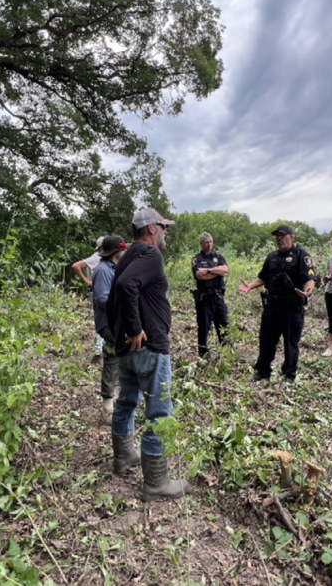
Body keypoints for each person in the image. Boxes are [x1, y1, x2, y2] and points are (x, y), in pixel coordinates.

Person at [106, 207, 189, 501]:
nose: (166, 232)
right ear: (152, 228)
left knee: (127, 401)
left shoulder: (126, 256)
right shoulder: (150, 254)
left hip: (127, 350)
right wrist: (135, 328)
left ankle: (123, 456)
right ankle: (156, 482)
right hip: (149, 347)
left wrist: (121, 336)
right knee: (159, 411)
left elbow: (113, 298)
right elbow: (126, 286)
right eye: (164, 227)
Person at [238, 225, 316, 382]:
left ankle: (289, 375)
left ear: (291, 237)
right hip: (272, 305)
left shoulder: (301, 255)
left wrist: (308, 291)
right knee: (266, 339)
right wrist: (250, 286)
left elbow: (309, 278)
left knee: (291, 341)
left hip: (292, 306)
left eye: (283, 235)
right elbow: (263, 277)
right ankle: (263, 372)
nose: (279, 238)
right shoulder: (272, 256)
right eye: (277, 236)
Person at [91, 235, 128, 426]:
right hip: (108, 324)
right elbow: (102, 299)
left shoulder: (115, 268)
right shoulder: (103, 270)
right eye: (123, 249)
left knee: (120, 360)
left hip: (117, 322)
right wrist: (123, 307)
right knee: (112, 359)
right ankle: (107, 407)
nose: (126, 252)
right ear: (116, 252)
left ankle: (116, 402)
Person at [191, 232, 230, 359]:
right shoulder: (197, 259)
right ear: (201, 244)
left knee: (224, 326)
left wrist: (208, 270)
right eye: (206, 242)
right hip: (205, 299)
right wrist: (217, 271)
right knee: (204, 328)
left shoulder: (218, 256)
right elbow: (200, 276)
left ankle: (228, 354)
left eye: (211, 242)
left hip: (218, 297)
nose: (209, 245)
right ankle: (204, 357)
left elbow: (225, 270)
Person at [72, 236, 107, 363]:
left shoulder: (101, 258)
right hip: (97, 292)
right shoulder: (96, 258)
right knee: (101, 321)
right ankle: (98, 352)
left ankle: (101, 350)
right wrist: (87, 281)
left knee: (103, 321)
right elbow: (76, 266)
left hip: (98, 292)